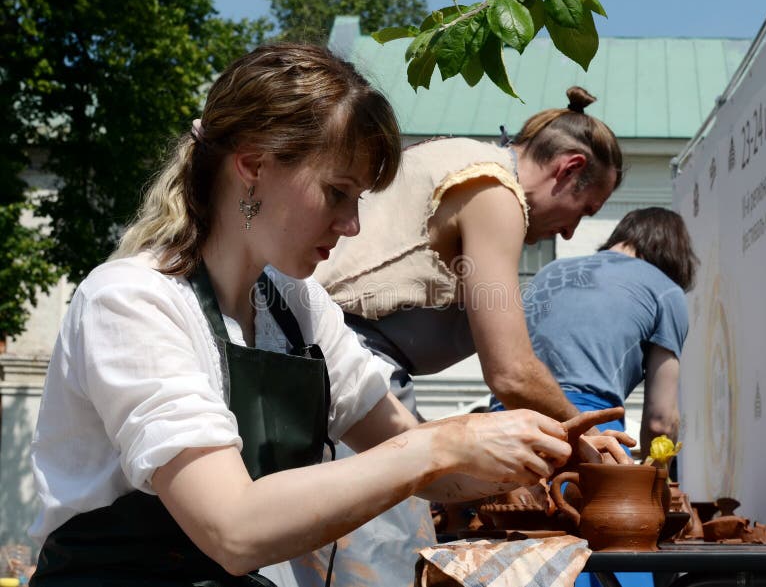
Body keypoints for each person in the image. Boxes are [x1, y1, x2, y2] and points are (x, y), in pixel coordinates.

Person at [27, 43, 619, 587]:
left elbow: (425, 465)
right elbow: (232, 529)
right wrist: (445, 445)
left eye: (358, 198)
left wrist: (552, 450)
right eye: (337, 192)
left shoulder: (295, 308)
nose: (352, 225)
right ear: (253, 164)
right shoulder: (133, 301)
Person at [311, 87, 633, 587]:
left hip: (338, 365)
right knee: (378, 567)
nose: (569, 234)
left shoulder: (473, 165)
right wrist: (583, 432)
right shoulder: (494, 191)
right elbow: (510, 370)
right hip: (340, 365)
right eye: (584, 211)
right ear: (568, 169)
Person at [494, 206, 698, 587]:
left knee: (516, 565)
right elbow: (660, 420)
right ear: (674, 255)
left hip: (505, 424)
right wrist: (658, 488)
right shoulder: (665, 290)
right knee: (618, 553)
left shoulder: (549, 273)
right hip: (588, 426)